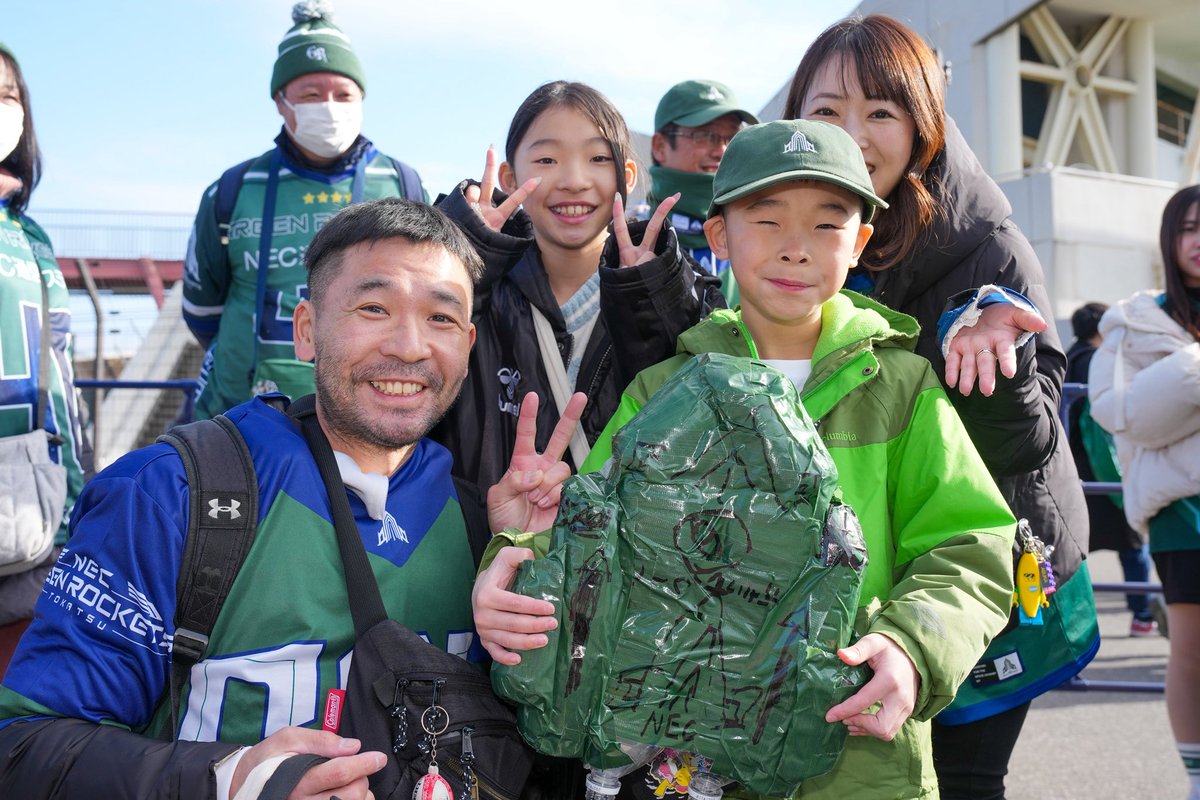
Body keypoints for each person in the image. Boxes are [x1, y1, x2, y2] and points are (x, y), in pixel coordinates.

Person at [474, 119, 1018, 799]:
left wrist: (912, 647)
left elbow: (973, 547)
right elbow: (586, 546)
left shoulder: (901, 387)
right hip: (677, 765)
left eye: (827, 225)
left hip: (861, 767)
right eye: (766, 220)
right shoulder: (664, 388)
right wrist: (518, 549)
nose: (795, 248)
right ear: (720, 236)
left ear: (860, 243)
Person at [0, 198, 580, 800]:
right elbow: (23, 748)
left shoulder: (480, 521)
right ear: (306, 330)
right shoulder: (168, 494)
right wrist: (234, 779)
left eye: (441, 318)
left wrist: (530, 563)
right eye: (374, 308)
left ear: (468, 343)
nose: (410, 346)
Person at [783, 15, 1096, 798]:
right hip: (860, 572)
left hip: (983, 571)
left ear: (923, 124)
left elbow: (1029, 443)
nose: (853, 136)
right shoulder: (791, 237)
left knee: (962, 779)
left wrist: (999, 368)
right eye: (827, 111)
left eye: (880, 112)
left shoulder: (990, 249)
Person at [432, 80, 724, 498]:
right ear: (509, 177)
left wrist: (649, 295)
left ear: (626, 176)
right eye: (547, 159)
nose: (574, 180)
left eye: (598, 158)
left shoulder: (681, 289)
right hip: (481, 534)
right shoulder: (479, 285)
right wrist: (468, 253)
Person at [183, 1, 425, 421]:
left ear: (361, 99)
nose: (329, 107)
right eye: (311, 95)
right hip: (240, 417)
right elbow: (202, 312)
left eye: (343, 94)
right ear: (281, 102)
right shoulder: (232, 189)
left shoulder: (401, 184)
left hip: (365, 419)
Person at [1089, 183, 1200, 800]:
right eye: (1188, 227)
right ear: (1168, 239)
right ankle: (1197, 778)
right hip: (1182, 511)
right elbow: (1122, 415)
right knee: (1191, 651)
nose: (1199, 240)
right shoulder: (1135, 319)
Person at [0, 43, 90, 676]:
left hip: (34, 516)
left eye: (8, 95)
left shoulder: (30, 235)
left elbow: (60, 381)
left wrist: (80, 502)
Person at [1066, 302, 1158, 636]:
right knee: (1133, 546)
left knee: (1075, 551)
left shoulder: (1067, 358)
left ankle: (1075, 622)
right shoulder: (1099, 362)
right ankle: (1142, 614)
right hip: (1103, 467)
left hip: (1072, 469)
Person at [645, 79, 757, 299]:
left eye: (733, 138)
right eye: (706, 136)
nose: (722, 150)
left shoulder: (764, 238)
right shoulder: (628, 238)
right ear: (660, 147)